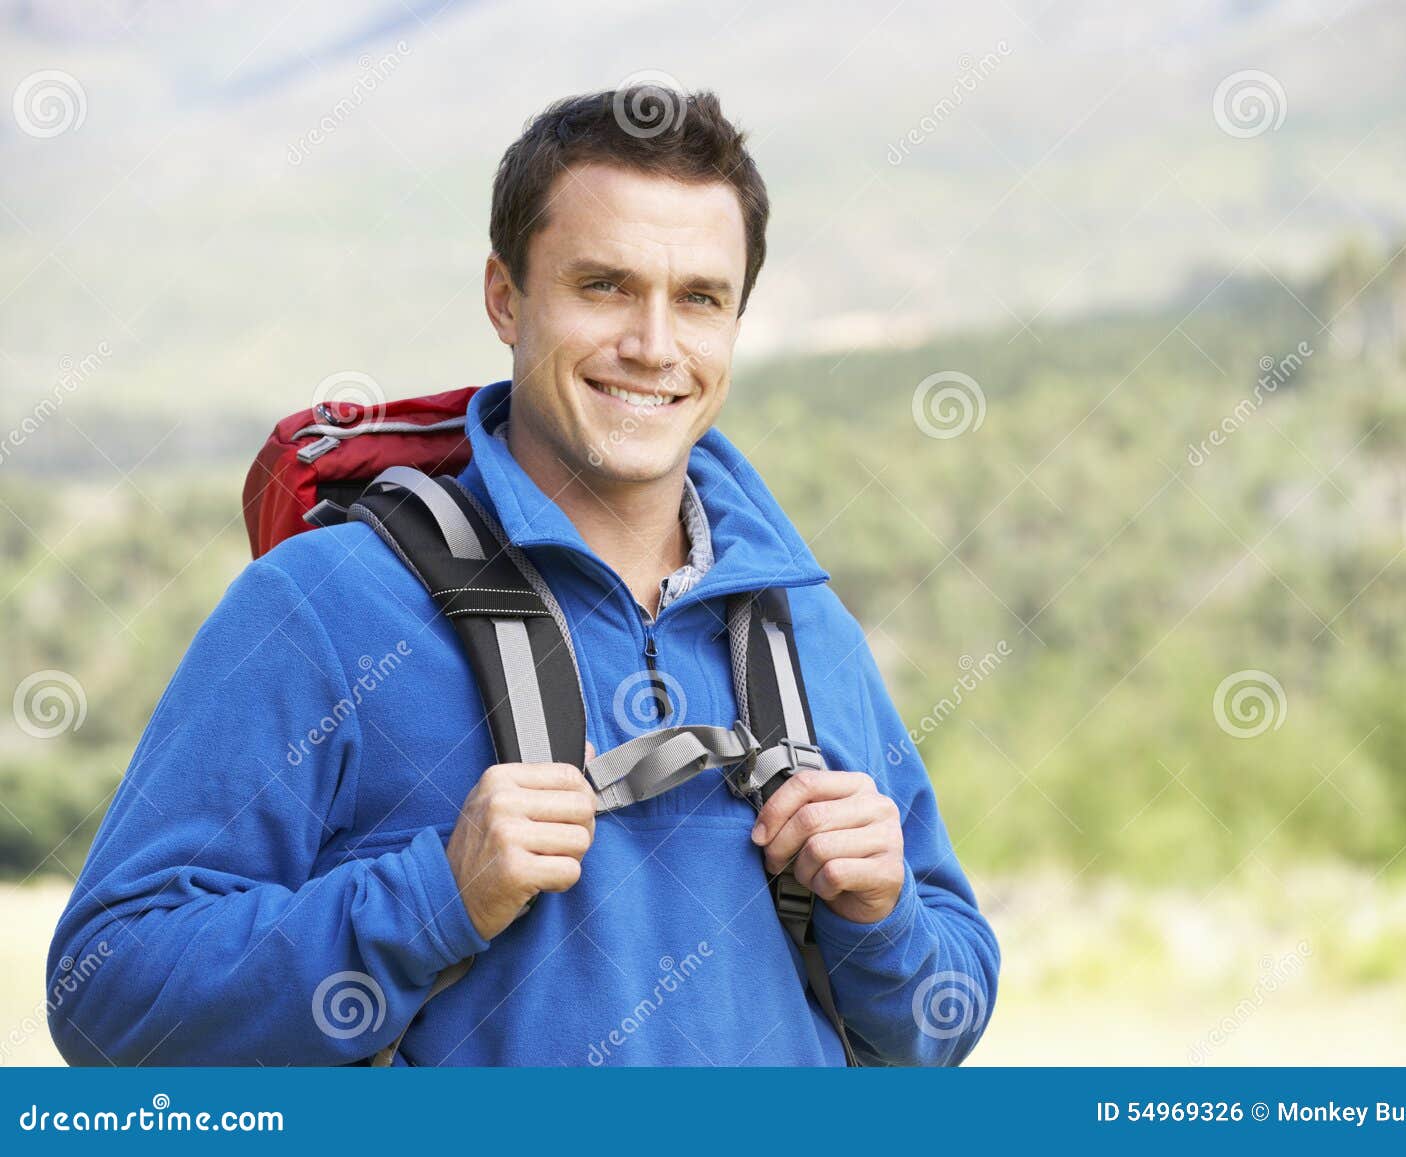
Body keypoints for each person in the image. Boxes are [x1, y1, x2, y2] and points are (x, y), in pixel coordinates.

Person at [47, 86, 999, 1066]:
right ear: (506, 298)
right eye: (605, 286)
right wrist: (434, 897)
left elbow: (945, 1016)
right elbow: (106, 993)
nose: (654, 346)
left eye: (699, 299)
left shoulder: (805, 625)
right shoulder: (323, 603)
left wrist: (883, 919)